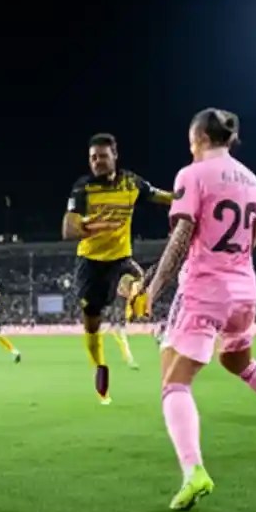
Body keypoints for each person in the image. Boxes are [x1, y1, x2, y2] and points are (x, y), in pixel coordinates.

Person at [145, 108, 256, 512]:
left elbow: (182, 236)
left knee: (174, 384)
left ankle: (194, 472)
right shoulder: (253, 180)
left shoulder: (191, 174)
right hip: (244, 289)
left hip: (205, 288)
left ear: (198, 137)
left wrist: (154, 287)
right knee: (239, 362)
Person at [62, 133, 172, 404]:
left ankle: (137, 296)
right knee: (91, 321)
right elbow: (68, 229)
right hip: (90, 263)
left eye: (102, 156)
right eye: (92, 158)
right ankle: (99, 366)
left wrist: (190, 197)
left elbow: (163, 196)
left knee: (133, 280)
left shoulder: (131, 182)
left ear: (114, 155)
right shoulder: (83, 188)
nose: (97, 162)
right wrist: (90, 226)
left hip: (120, 259)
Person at [104, 272, 146, 370]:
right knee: (122, 339)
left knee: (117, 336)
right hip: (119, 320)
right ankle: (130, 359)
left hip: (118, 319)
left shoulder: (122, 295)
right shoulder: (122, 295)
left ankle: (128, 358)